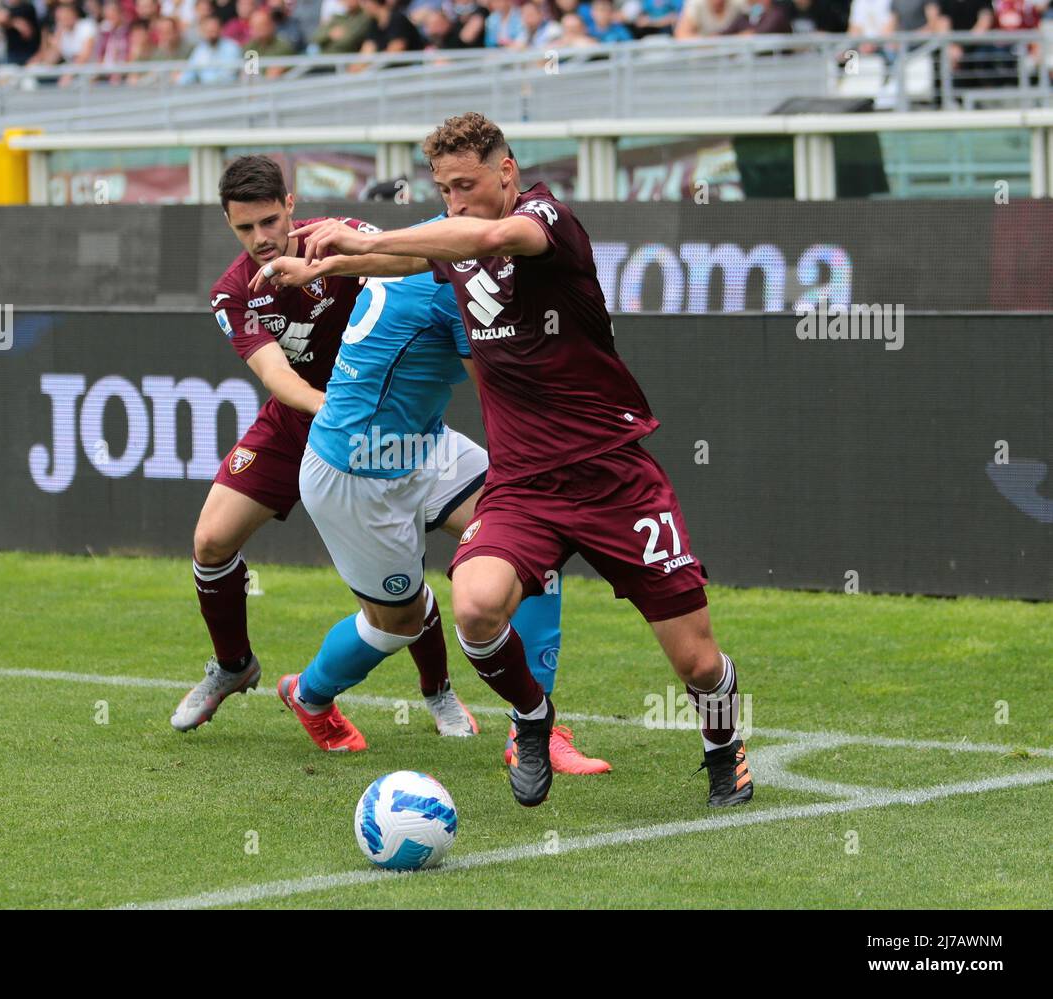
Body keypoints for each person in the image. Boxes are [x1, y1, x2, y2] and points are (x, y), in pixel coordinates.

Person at [289, 112, 752, 810]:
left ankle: (725, 750)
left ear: (506, 171)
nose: (455, 202)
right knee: (474, 606)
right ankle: (533, 718)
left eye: (467, 185)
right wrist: (328, 262)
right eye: (443, 189)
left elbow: (492, 235)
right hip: (525, 485)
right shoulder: (457, 235)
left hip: (613, 477)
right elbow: (415, 258)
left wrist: (371, 234)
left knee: (696, 658)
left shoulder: (545, 219)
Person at [251, 229, 612, 774]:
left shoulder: (448, 244)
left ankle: (534, 730)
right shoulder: (461, 278)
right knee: (397, 623)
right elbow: (501, 395)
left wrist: (324, 267)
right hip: (356, 469)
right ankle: (310, 693)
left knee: (538, 543)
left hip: (425, 445)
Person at [171, 155, 476, 741]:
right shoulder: (232, 292)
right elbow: (275, 374)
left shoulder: (341, 242)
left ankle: (438, 691)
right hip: (298, 427)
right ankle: (234, 666)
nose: (261, 239)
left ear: (291, 205)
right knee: (210, 540)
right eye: (244, 229)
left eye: (268, 221)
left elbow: (416, 267)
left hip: (382, 429)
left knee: (407, 568)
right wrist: (331, 411)